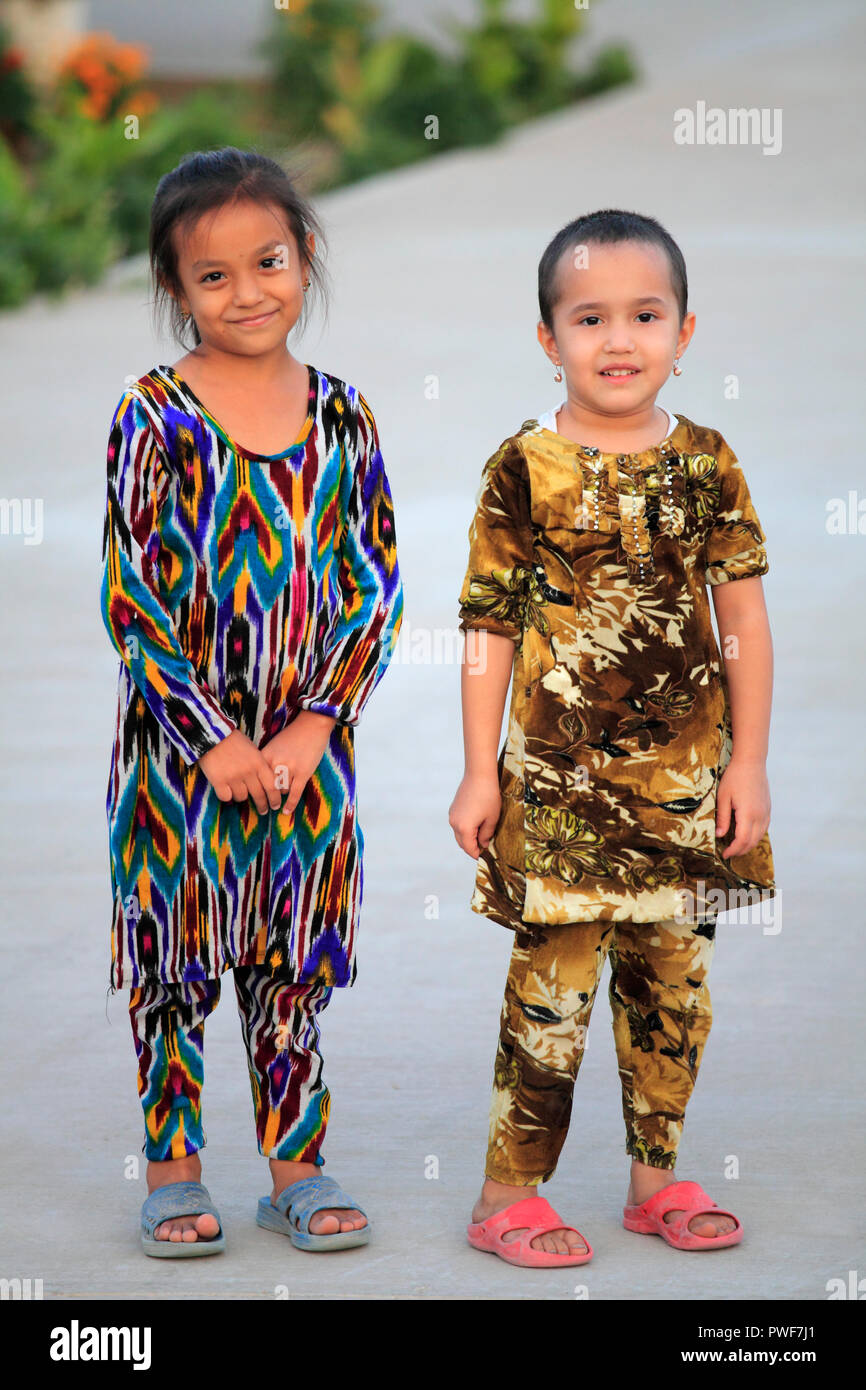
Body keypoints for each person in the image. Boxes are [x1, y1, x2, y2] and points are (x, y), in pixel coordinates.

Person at [449, 208, 776, 1267]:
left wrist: (749, 766)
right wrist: (474, 772)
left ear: (686, 332)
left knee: (671, 987)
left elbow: (744, 626)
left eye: (645, 314)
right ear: (548, 338)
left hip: (683, 790)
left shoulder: (708, 463)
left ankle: (656, 1180)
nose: (618, 339)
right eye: (588, 318)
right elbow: (486, 626)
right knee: (549, 991)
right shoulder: (523, 469)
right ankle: (508, 1195)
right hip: (555, 796)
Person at [100, 147, 403, 1257]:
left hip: (306, 760)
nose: (246, 292)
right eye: (212, 276)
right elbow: (133, 594)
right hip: (181, 763)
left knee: (286, 964)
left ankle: (296, 1165)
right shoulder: (152, 416)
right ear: (176, 289)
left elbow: (375, 580)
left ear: (304, 256)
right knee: (174, 963)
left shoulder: (342, 416)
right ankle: (173, 1171)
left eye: (267, 262)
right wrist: (211, 737)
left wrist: (316, 721)